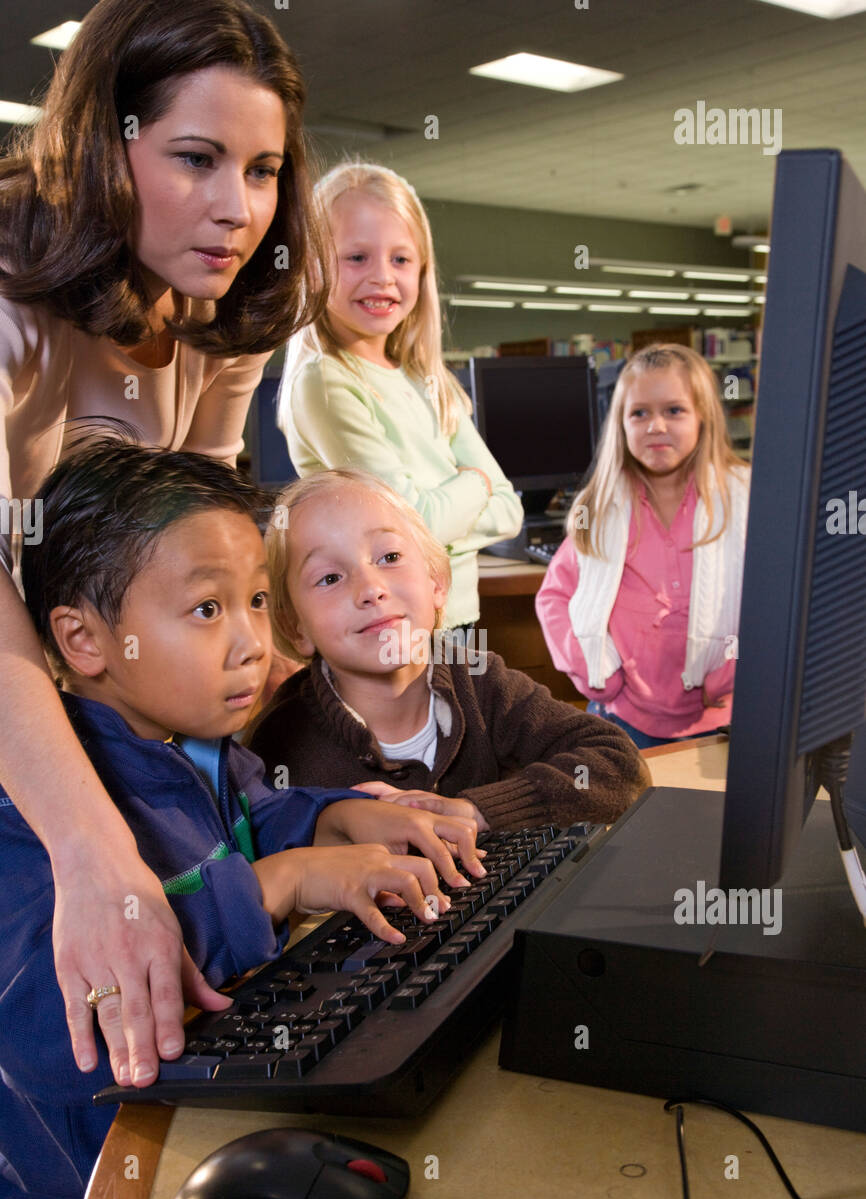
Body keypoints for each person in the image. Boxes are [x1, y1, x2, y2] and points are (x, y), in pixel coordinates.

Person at [2, 438, 484, 1199]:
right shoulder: (38, 811)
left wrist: (339, 813)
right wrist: (281, 881)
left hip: (194, 1146)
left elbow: (256, 813)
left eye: (259, 600)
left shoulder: (194, 745)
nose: (253, 642)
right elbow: (65, 1016)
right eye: (207, 610)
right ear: (83, 639)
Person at [0, 0, 331, 1093]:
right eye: (196, 158)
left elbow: (190, 545)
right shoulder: (13, 303)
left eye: (264, 168)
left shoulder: (219, 305)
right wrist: (93, 850)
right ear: (108, 143)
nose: (238, 210)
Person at [246, 469, 651, 829]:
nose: (371, 589)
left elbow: (619, 765)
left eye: (389, 556)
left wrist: (477, 811)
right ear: (294, 626)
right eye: (330, 577)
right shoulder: (278, 744)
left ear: (436, 581)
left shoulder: (479, 680)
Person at [276, 160, 524, 631]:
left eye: (401, 259)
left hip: (461, 617)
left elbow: (509, 510)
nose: (383, 277)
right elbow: (412, 526)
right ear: (314, 266)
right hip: (390, 625)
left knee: (468, 707)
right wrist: (476, 484)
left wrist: (436, 519)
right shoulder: (327, 381)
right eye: (356, 258)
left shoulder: (425, 378)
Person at [535, 344, 751, 750]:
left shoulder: (743, 499)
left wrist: (729, 675)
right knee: (630, 813)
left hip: (723, 718)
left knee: (713, 813)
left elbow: (777, 601)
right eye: (639, 413)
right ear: (621, 424)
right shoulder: (599, 507)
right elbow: (555, 597)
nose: (655, 425)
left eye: (674, 410)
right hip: (622, 718)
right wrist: (594, 671)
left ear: (703, 416)